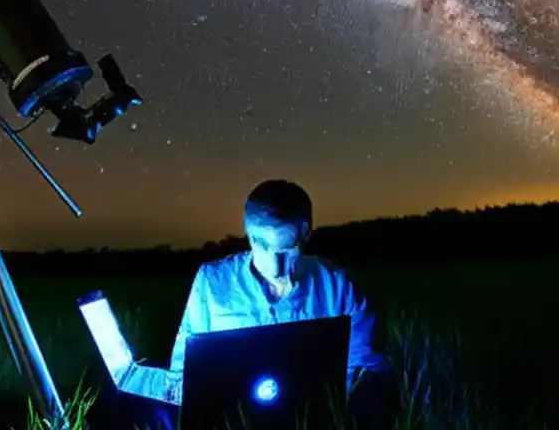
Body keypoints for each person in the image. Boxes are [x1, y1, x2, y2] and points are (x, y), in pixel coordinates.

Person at [116, 179, 392, 425]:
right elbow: (184, 369)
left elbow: (365, 369)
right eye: (262, 246)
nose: (275, 264)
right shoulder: (212, 282)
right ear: (247, 233)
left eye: (287, 249)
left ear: (306, 233)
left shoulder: (338, 286)